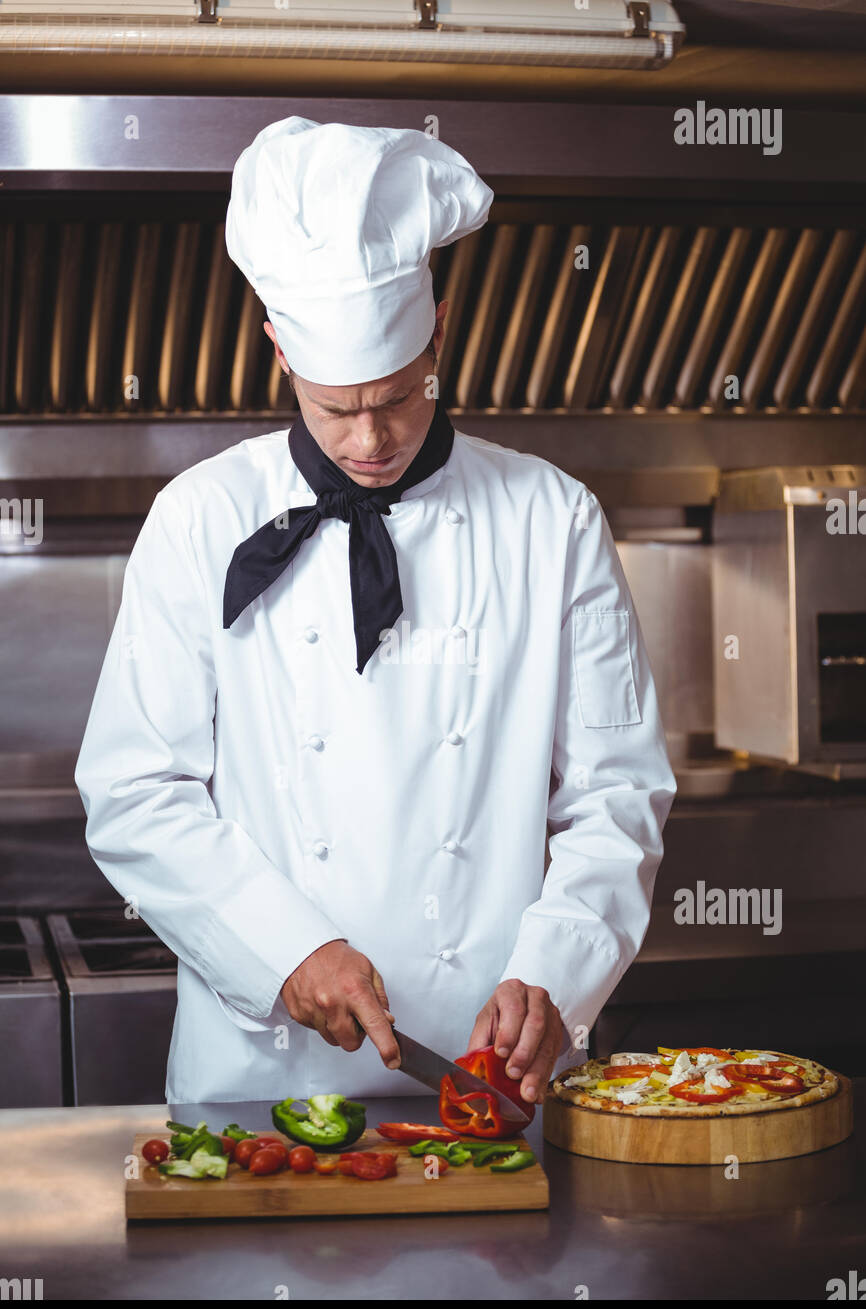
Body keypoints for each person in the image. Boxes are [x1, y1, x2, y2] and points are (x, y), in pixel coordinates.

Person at [74, 117, 677, 1105]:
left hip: (491, 1073)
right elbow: (137, 790)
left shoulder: (550, 518)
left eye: (397, 398)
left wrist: (554, 978)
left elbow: (614, 795)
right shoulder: (200, 517)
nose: (368, 440)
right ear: (277, 350)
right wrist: (287, 947)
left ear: (437, 335)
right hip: (258, 1081)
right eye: (334, 407)